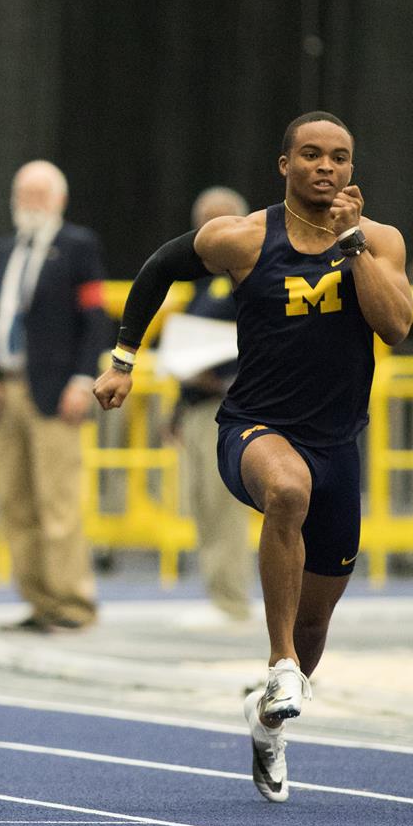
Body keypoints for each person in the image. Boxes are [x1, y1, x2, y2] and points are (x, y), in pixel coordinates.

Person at [95, 112, 413, 802]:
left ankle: (269, 718)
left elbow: (395, 325)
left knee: (316, 620)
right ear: (284, 165)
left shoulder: (379, 239)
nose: (326, 167)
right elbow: (159, 268)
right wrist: (123, 359)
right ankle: (278, 662)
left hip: (338, 444)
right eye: (311, 155)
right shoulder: (242, 237)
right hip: (254, 428)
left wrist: (353, 244)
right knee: (287, 491)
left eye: (339, 157)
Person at [0, 160, 110, 632]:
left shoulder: (78, 246)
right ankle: (38, 600)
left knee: (58, 502)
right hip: (7, 387)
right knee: (16, 502)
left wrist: (82, 380)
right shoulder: (3, 249)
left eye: (38, 194)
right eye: (23, 194)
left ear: (59, 200)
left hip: (55, 391)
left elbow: (95, 320)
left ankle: (72, 604)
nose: (29, 203)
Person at [165, 186, 254, 623]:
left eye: (220, 222)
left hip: (230, 406)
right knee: (202, 504)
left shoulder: (253, 276)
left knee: (224, 506)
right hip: (199, 407)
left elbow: (262, 342)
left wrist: (223, 378)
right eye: (204, 225)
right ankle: (217, 594)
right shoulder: (201, 283)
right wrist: (178, 410)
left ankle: (232, 601)